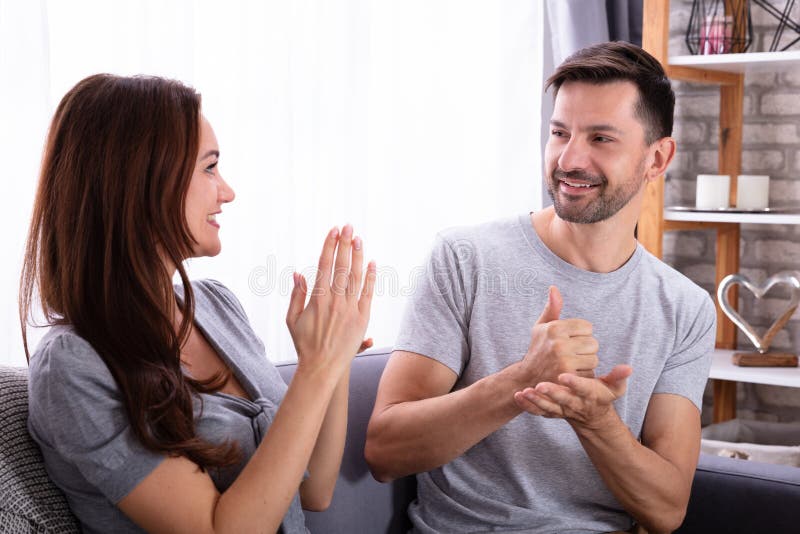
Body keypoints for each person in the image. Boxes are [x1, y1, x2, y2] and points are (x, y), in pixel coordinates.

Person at [365, 41, 716, 533]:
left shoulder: (685, 309)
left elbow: (666, 510)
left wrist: (596, 423)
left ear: (657, 159)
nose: (569, 159)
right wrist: (519, 382)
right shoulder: (466, 258)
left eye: (600, 138)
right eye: (559, 133)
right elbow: (385, 451)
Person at [21, 74, 376, 534]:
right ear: (140, 183)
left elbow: (315, 489)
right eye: (209, 168)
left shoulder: (214, 306)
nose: (227, 191)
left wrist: (333, 358)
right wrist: (315, 370)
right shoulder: (72, 367)